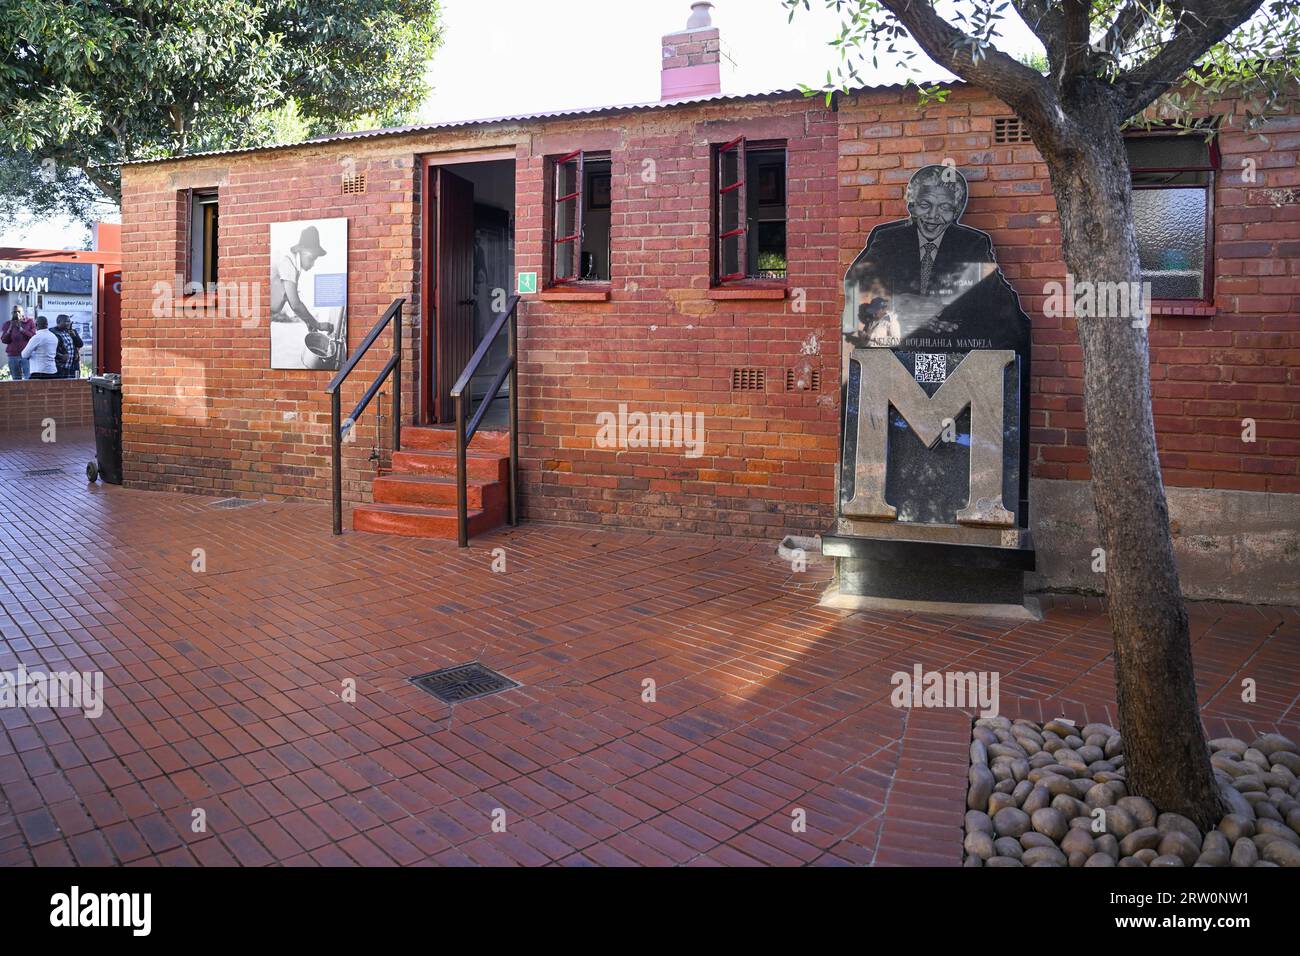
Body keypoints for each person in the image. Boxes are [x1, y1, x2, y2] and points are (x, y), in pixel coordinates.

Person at [843, 164, 1005, 349]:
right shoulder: (888, 239)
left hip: (953, 347)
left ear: (956, 211)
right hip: (894, 348)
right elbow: (856, 281)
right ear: (912, 206)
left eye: (944, 207)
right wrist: (897, 304)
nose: (933, 215)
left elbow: (997, 300)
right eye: (925, 204)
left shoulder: (974, 243)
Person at [2, 305, 35, 380]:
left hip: (26, 355)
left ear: (23, 312)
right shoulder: (7, 324)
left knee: (28, 378)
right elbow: (4, 340)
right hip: (13, 355)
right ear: (11, 313)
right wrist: (10, 329)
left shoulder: (29, 322)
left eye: (18, 312)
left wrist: (22, 329)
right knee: (16, 379)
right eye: (14, 312)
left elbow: (33, 337)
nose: (16, 314)